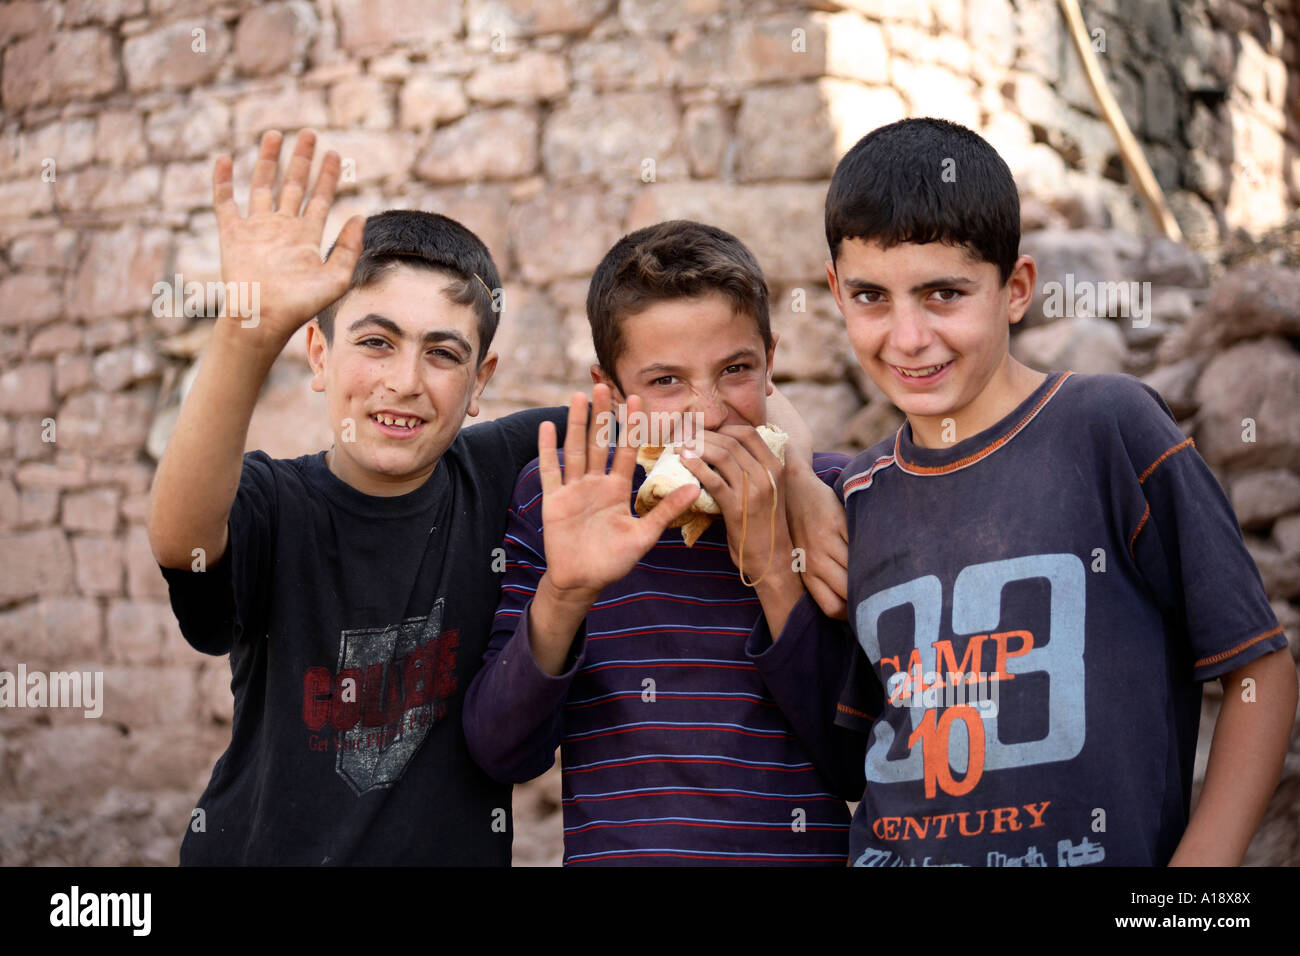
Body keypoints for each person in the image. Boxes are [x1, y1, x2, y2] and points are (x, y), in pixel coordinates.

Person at [765, 116, 1297, 867]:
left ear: (1016, 289)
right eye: (871, 297)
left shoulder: (1107, 430)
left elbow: (1260, 671)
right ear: (835, 293)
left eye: (944, 294)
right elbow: (850, 758)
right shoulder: (859, 495)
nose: (908, 336)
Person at [147, 129, 570, 865]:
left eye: (443, 354)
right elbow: (179, 535)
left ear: (482, 383)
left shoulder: (511, 466)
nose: (405, 380)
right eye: (376, 342)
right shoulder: (275, 504)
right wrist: (247, 333)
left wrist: (802, 482)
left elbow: (702, 398)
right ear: (319, 354)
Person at [463, 221, 863, 865]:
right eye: (665, 381)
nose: (706, 412)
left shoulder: (833, 499)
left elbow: (857, 765)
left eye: (735, 369)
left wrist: (772, 568)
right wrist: (564, 594)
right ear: (613, 391)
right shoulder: (566, 497)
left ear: (771, 363)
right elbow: (502, 751)